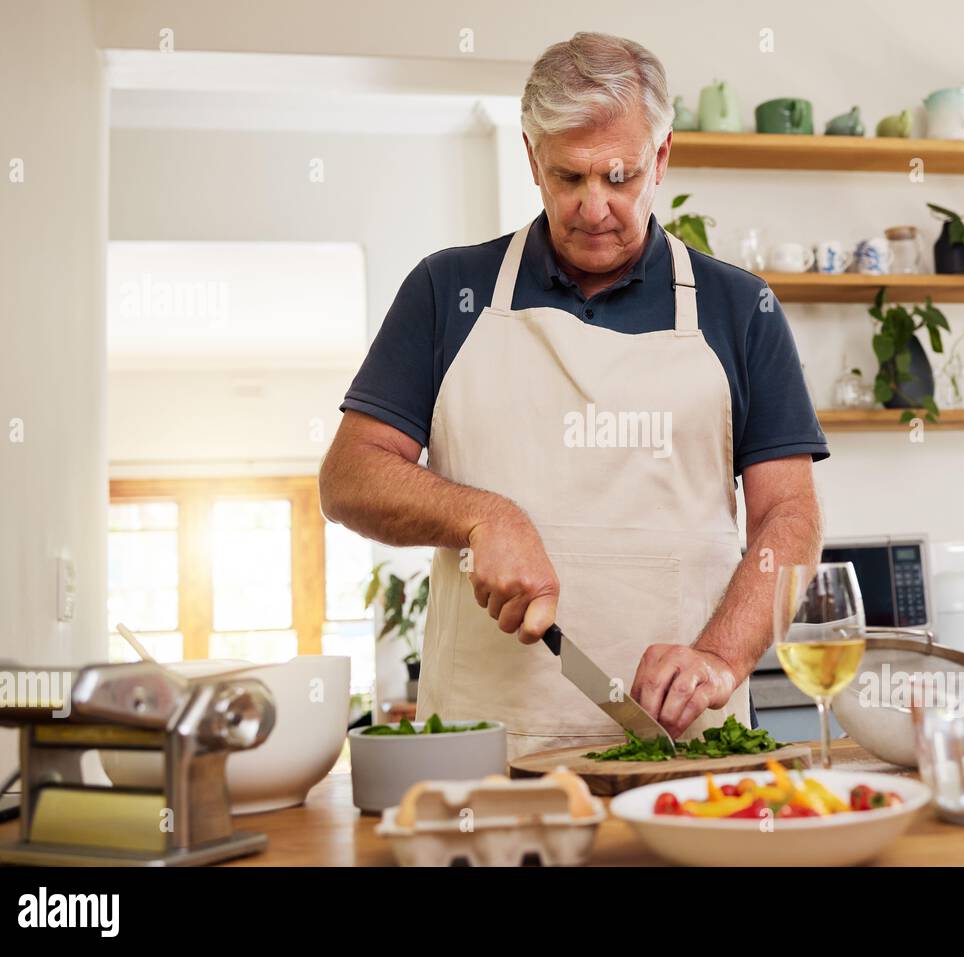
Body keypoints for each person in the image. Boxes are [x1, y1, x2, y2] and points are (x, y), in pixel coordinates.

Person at [320, 32, 826, 759]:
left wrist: (720, 655)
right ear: (531, 158)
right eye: (569, 178)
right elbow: (347, 476)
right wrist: (479, 517)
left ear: (661, 158)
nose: (594, 207)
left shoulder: (740, 309)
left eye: (618, 177)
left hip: (685, 755)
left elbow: (791, 514)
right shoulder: (446, 292)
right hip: (484, 756)